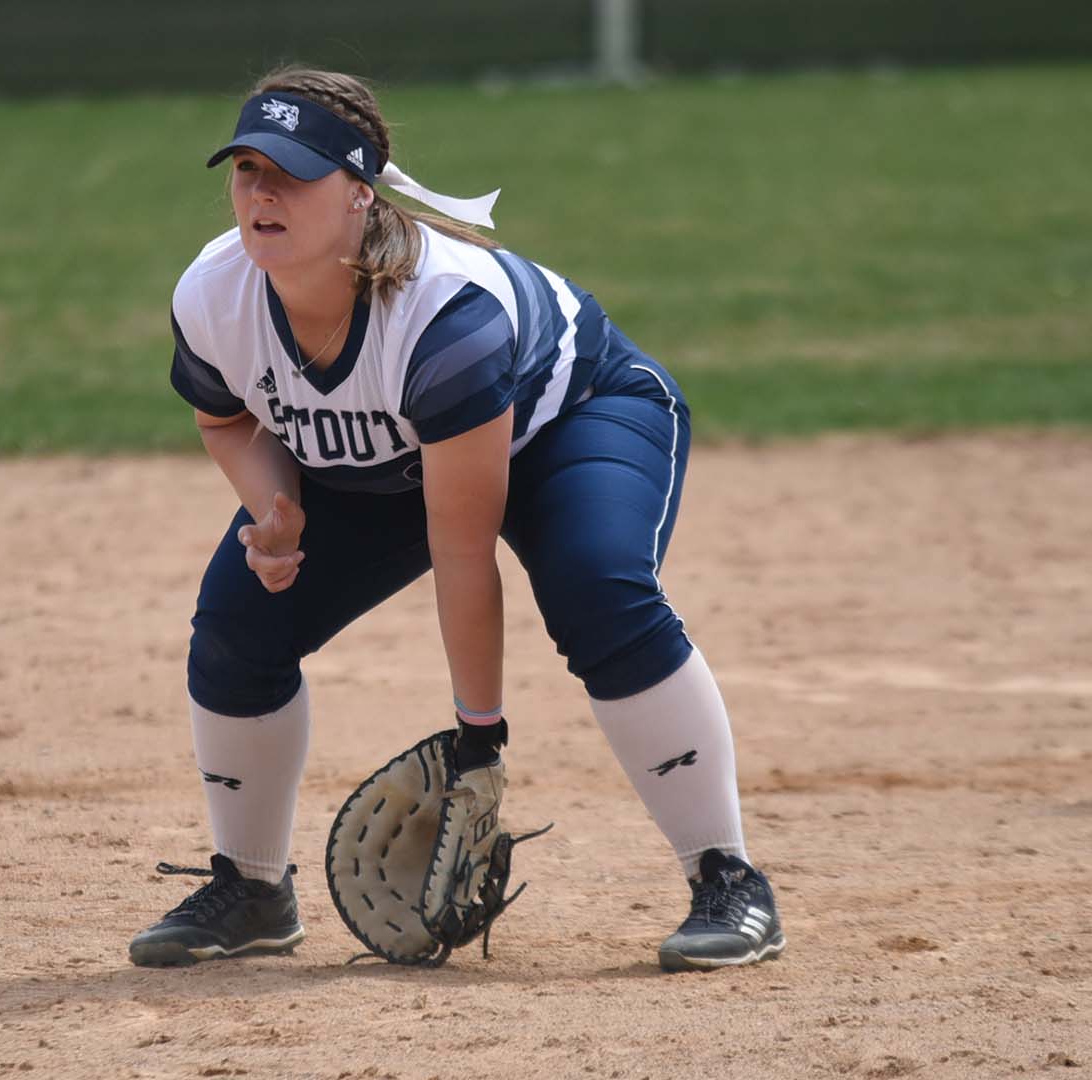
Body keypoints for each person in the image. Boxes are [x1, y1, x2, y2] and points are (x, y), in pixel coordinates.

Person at [127, 68, 783, 973]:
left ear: (360, 194)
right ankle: (252, 890)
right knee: (239, 625)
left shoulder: (444, 317)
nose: (262, 193)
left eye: (293, 173)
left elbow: (463, 550)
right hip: (403, 453)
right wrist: (274, 512)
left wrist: (480, 737)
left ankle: (729, 879)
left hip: (574, 418)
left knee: (596, 590)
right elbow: (226, 418)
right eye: (247, 169)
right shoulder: (213, 294)